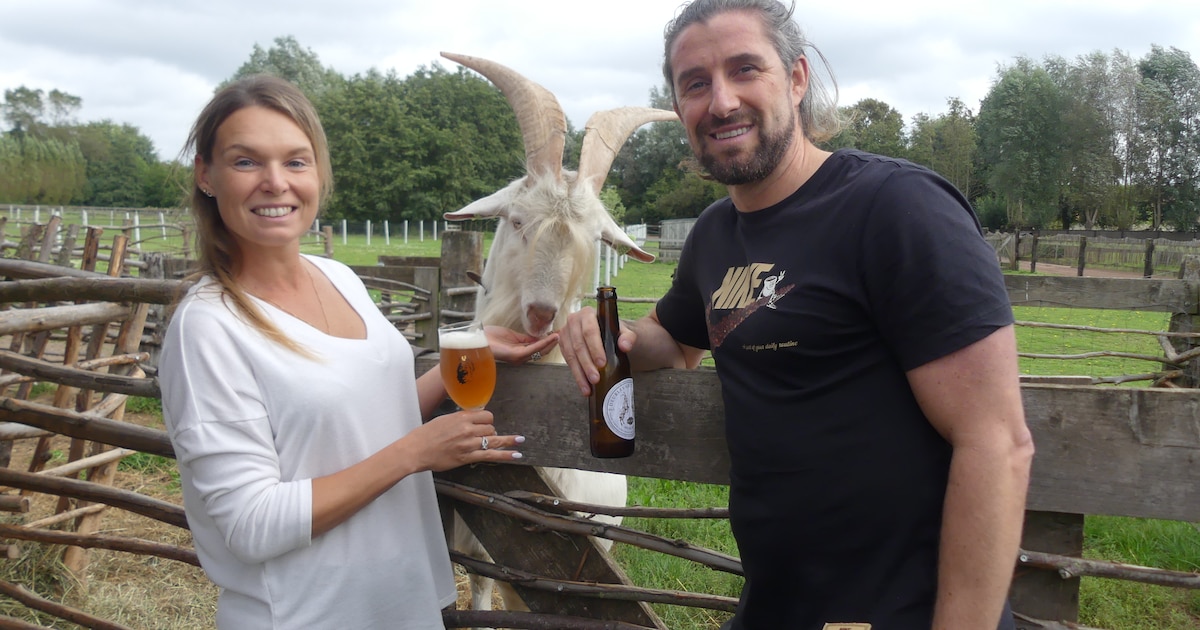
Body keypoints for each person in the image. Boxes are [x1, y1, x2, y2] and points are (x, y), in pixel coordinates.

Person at [557, 1, 1035, 628]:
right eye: (695, 83)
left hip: (904, 611)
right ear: (679, 109)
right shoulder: (715, 235)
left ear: (798, 79)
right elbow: (674, 343)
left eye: (745, 69)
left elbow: (998, 443)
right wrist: (609, 335)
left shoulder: (897, 209)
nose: (721, 101)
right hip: (778, 606)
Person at [158, 74, 557, 630]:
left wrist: (460, 363)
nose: (276, 182)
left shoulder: (338, 277)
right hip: (307, 614)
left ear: (319, 173)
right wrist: (416, 453)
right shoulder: (208, 327)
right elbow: (250, 524)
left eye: (296, 162)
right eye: (246, 162)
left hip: (403, 600)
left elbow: (363, 417)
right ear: (206, 174)